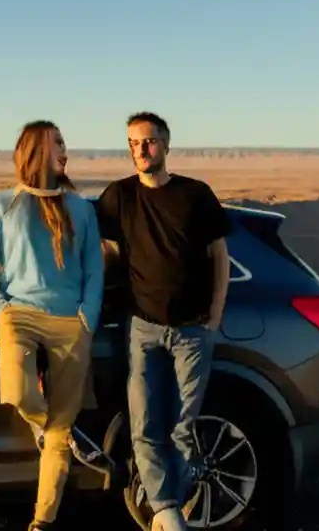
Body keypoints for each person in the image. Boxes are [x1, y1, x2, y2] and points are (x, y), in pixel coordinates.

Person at [97, 112, 232, 531]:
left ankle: (174, 502)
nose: (141, 149)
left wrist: (215, 315)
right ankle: (165, 511)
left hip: (192, 330)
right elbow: (105, 254)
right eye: (133, 143)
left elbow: (220, 257)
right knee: (145, 424)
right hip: (144, 328)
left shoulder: (195, 195)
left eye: (149, 141)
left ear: (167, 145)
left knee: (183, 426)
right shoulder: (118, 197)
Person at [0, 120, 106, 531]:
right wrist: (3, 314)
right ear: (36, 150)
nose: (66, 151)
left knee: (59, 431)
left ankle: (42, 520)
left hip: (72, 319)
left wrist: (88, 317)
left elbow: (94, 269)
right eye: (59, 144)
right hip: (20, 315)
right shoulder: (2, 205)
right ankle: (53, 428)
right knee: (18, 394)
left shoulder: (80, 209)